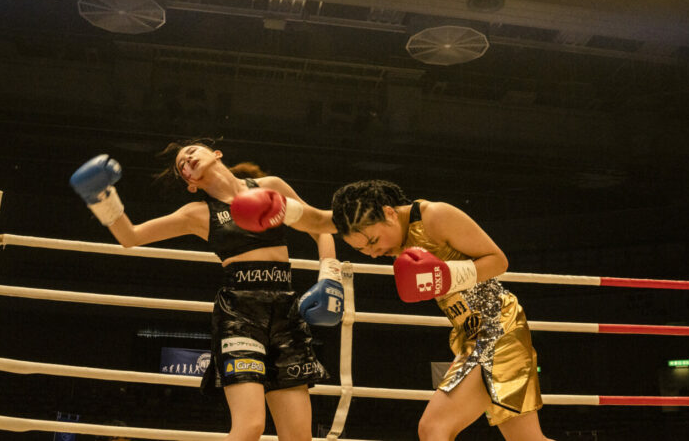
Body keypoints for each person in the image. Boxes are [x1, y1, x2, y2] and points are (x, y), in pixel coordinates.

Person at [229, 179, 553, 441]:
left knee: (434, 428)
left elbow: (499, 261)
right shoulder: (368, 223)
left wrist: (447, 275)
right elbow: (316, 219)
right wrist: (278, 208)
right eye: (362, 250)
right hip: (472, 334)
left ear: (388, 213)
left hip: (497, 330)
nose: (373, 253)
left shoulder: (436, 216)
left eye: (372, 242)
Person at [69, 140, 344, 441]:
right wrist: (101, 198)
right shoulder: (197, 213)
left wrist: (329, 277)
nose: (187, 159)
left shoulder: (271, 186)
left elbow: (319, 226)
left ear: (216, 153)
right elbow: (131, 236)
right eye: (181, 165)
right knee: (250, 426)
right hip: (240, 316)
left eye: (191, 152)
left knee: (299, 436)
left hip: (285, 312)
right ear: (191, 184)